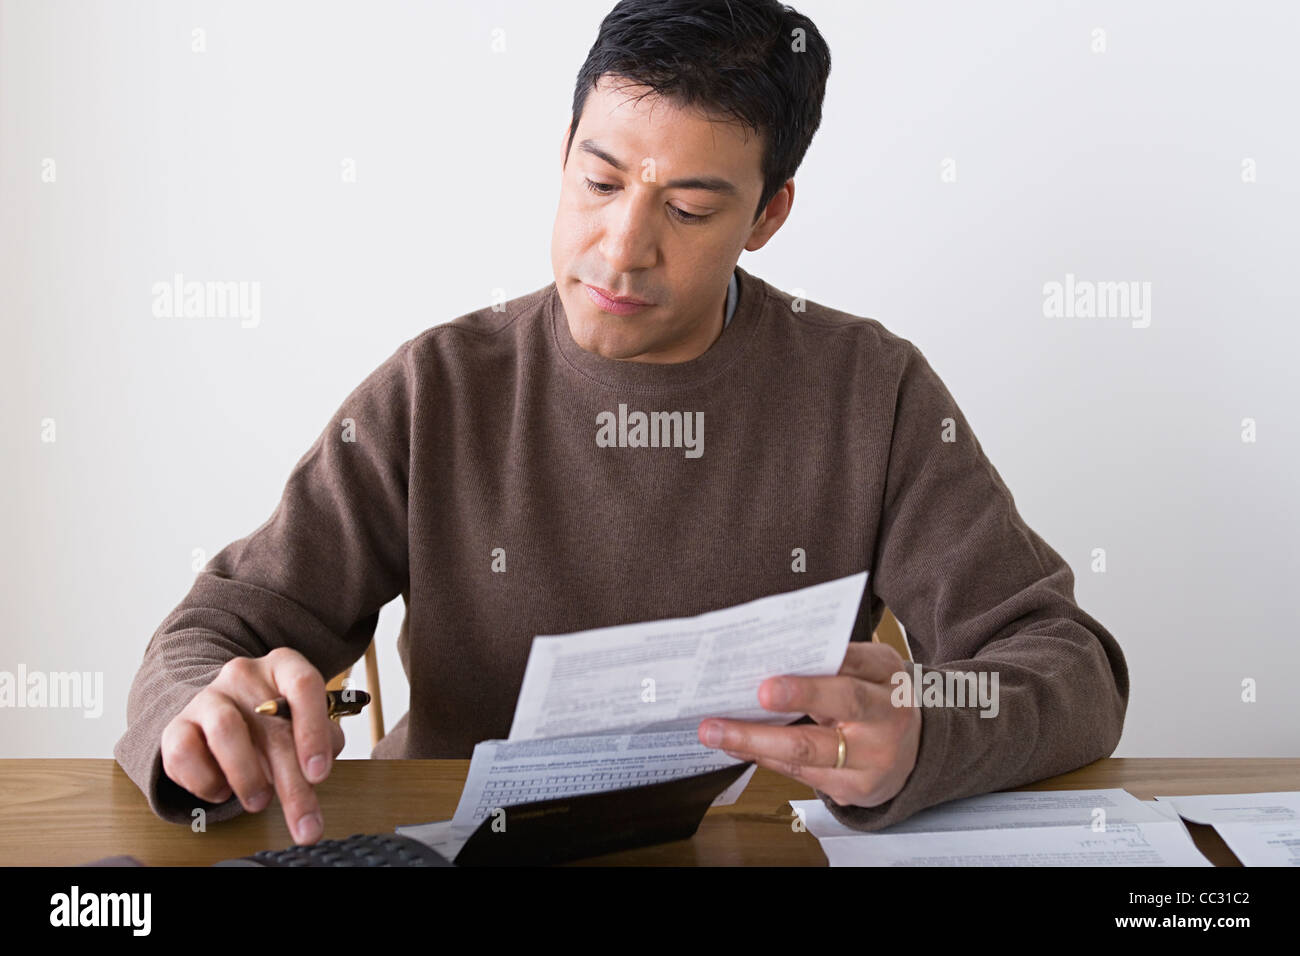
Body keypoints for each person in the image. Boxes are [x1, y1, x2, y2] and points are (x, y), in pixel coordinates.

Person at [115, 0, 1128, 847]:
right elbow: (210, 633)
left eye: (688, 210)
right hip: (455, 855)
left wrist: (925, 730)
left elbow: (1069, 663)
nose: (622, 245)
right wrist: (196, 713)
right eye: (599, 182)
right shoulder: (441, 387)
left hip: (750, 848)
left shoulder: (871, 390)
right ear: (562, 153)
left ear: (768, 215)